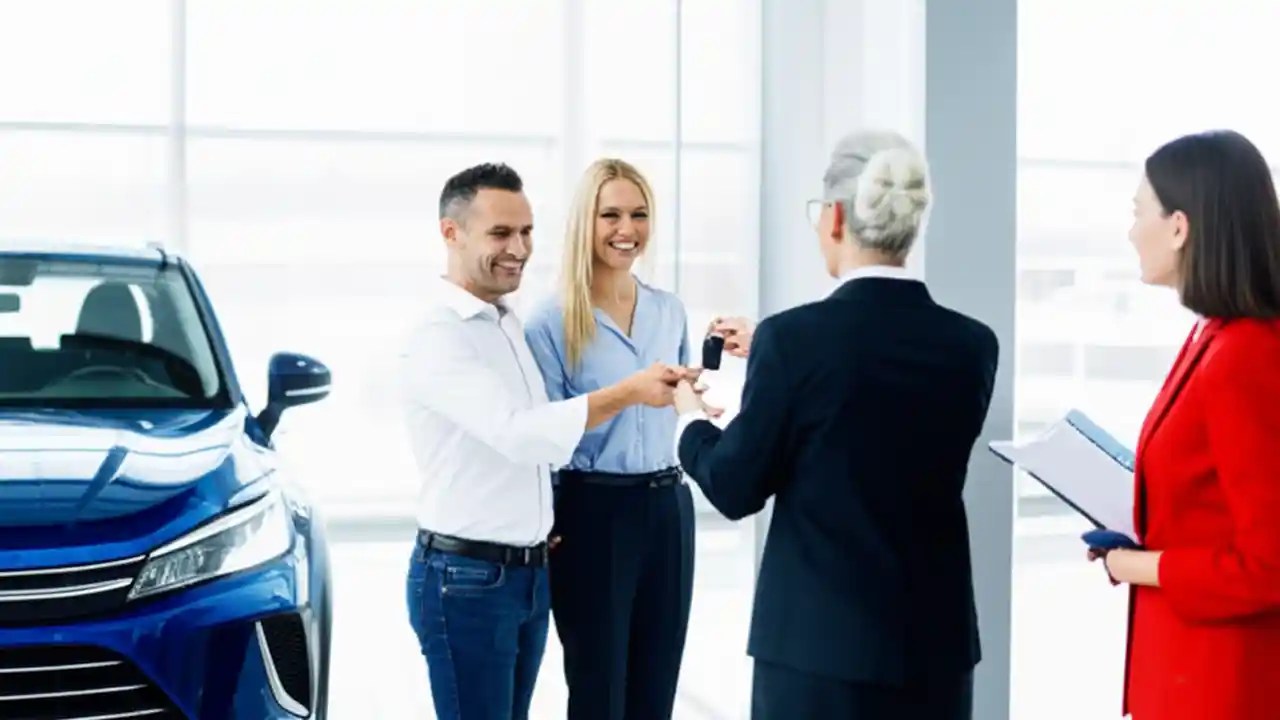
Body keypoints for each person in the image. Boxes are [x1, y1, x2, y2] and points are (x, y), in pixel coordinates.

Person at [672, 130, 1000, 720]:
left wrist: (687, 418)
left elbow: (734, 485)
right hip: (934, 648)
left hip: (815, 652)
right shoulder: (973, 346)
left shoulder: (795, 343)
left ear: (835, 218)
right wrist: (777, 358)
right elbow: (874, 401)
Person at [399, 162, 694, 720]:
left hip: (529, 564)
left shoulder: (503, 322)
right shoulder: (452, 334)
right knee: (596, 691)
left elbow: (536, 431)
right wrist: (629, 392)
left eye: (526, 232)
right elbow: (521, 432)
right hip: (479, 569)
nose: (518, 248)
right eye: (501, 233)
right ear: (451, 233)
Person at [1084, 129, 1280, 720]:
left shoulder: (1246, 353)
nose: (1130, 230)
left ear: (1179, 226)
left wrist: (1136, 564)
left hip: (1220, 683)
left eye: (1138, 211)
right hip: (1182, 671)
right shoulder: (1211, 335)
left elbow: (1268, 563)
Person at [523, 158, 719, 720]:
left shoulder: (668, 310)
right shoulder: (552, 320)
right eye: (610, 214)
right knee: (598, 688)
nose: (626, 229)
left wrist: (694, 401)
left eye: (638, 214)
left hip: (667, 507)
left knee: (657, 686)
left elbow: (671, 403)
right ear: (586, 221)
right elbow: (547, 431)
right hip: (592, 512)